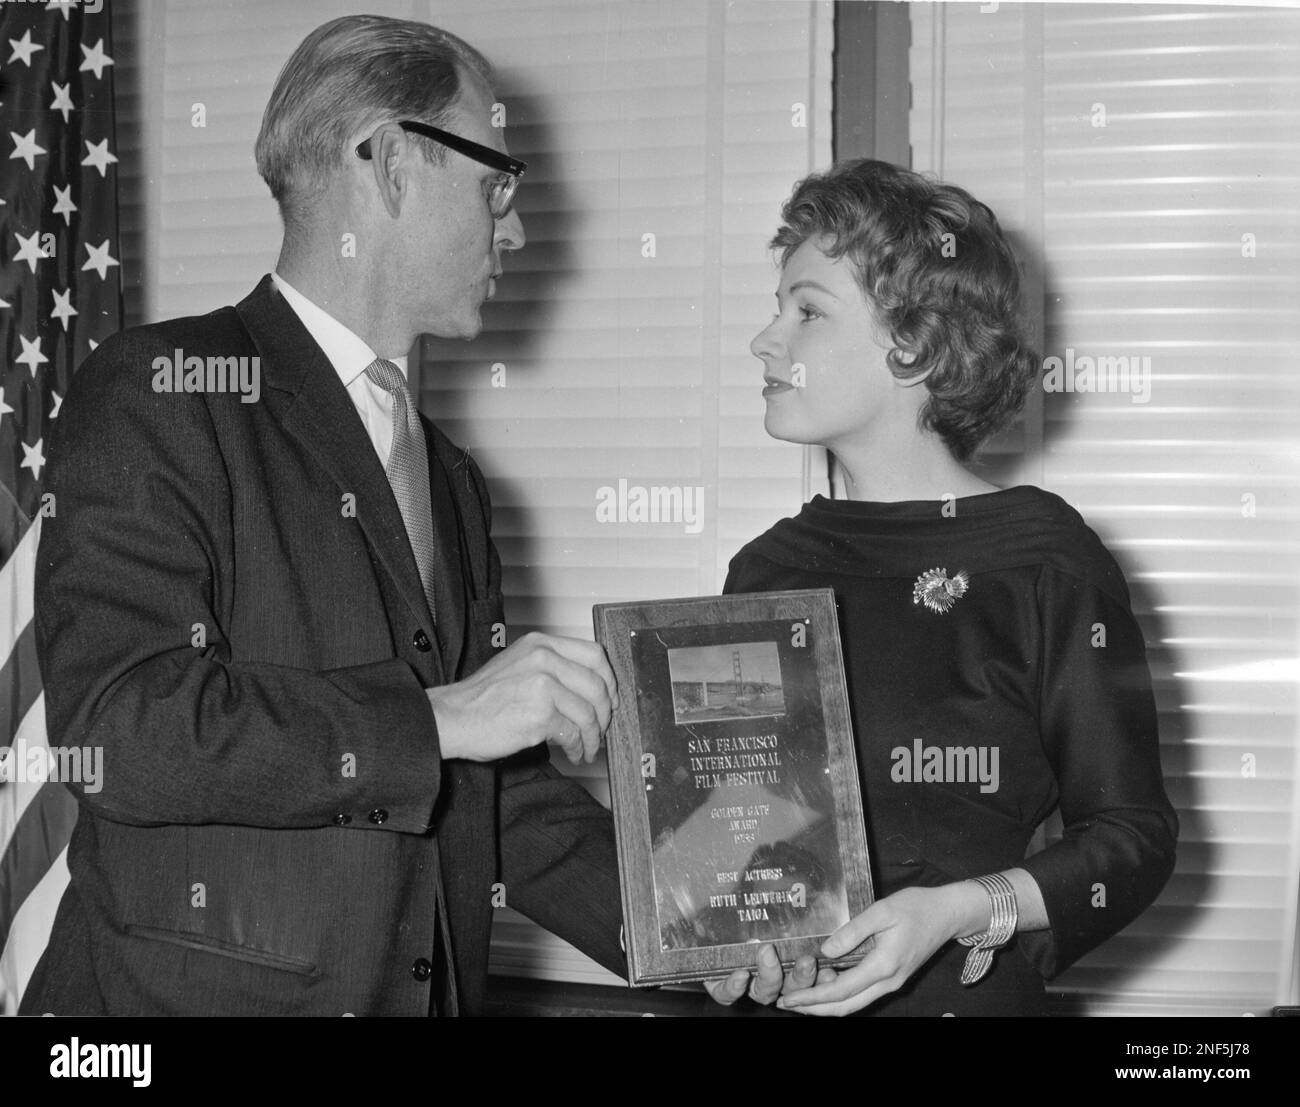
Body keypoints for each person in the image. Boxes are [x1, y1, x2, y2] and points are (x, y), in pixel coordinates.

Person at [21, 15, 627, 1017]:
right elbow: (121, 731)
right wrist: (441, 713)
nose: (512, 227)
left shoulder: (454, 480)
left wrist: (694, 930)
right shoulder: (164, 391)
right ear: (392, 162)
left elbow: (484, 780)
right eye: (495, 183)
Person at [707, 159, 1178, 1015]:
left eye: (806, 310)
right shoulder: (765, 569)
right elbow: (746, 835)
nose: (765, 340)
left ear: (913, 345)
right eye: (778, 308)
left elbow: (1131, 838)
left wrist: (968, 908)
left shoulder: (1046, 560)